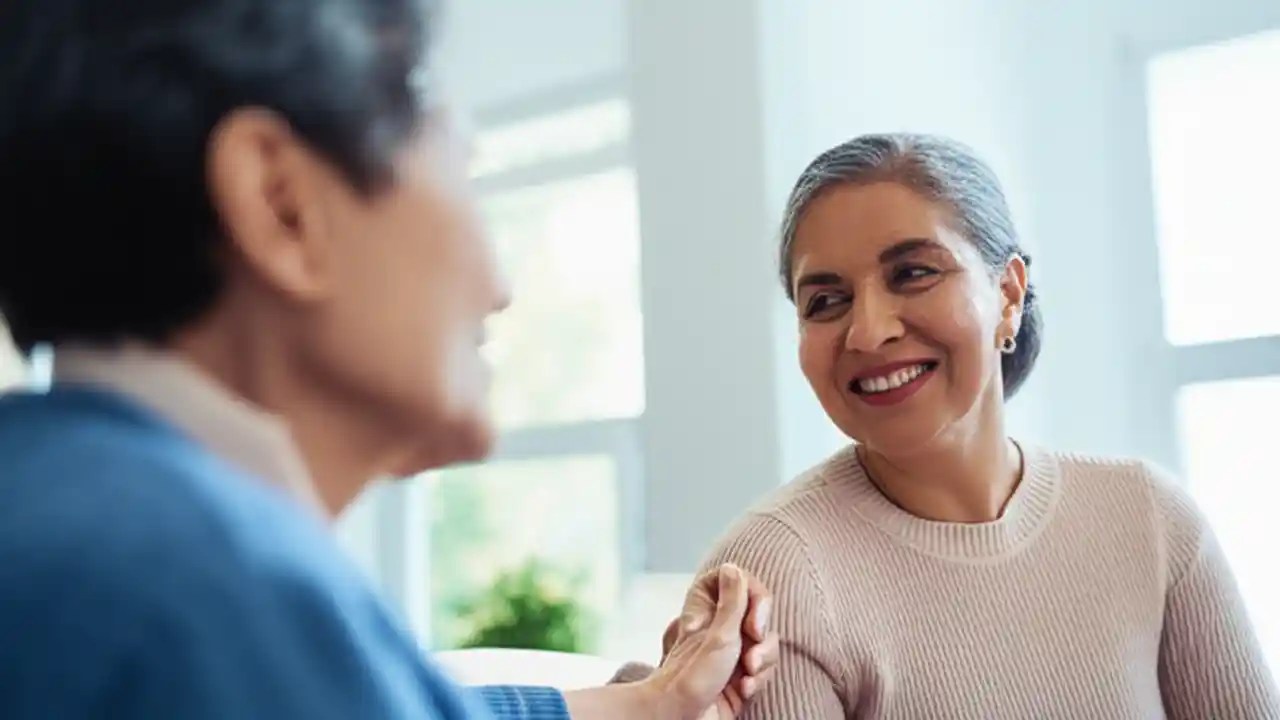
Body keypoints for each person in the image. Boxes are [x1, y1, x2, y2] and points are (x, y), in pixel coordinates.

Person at [0, 0, 780, 718]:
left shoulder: (70, 525)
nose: (500, 287)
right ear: (283, 204)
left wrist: (657, 700)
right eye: (469, 175)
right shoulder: (219, 597)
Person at [694, 133, 1280, 718]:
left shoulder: (1150, 519)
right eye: (825, 301)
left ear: (1008, 294)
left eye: (914, 272)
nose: (868, 331)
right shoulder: (777, 574)